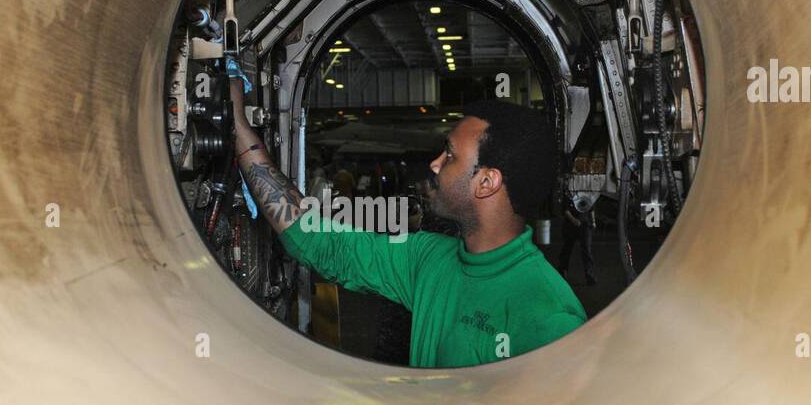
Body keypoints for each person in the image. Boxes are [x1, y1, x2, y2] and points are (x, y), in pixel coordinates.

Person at [228, 68, 586, 368]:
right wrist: (239, 126)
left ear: (487, 182)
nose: (433, 164)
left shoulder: (549, 317)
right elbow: (323, 243)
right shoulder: (428, 258)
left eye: (449, 156)